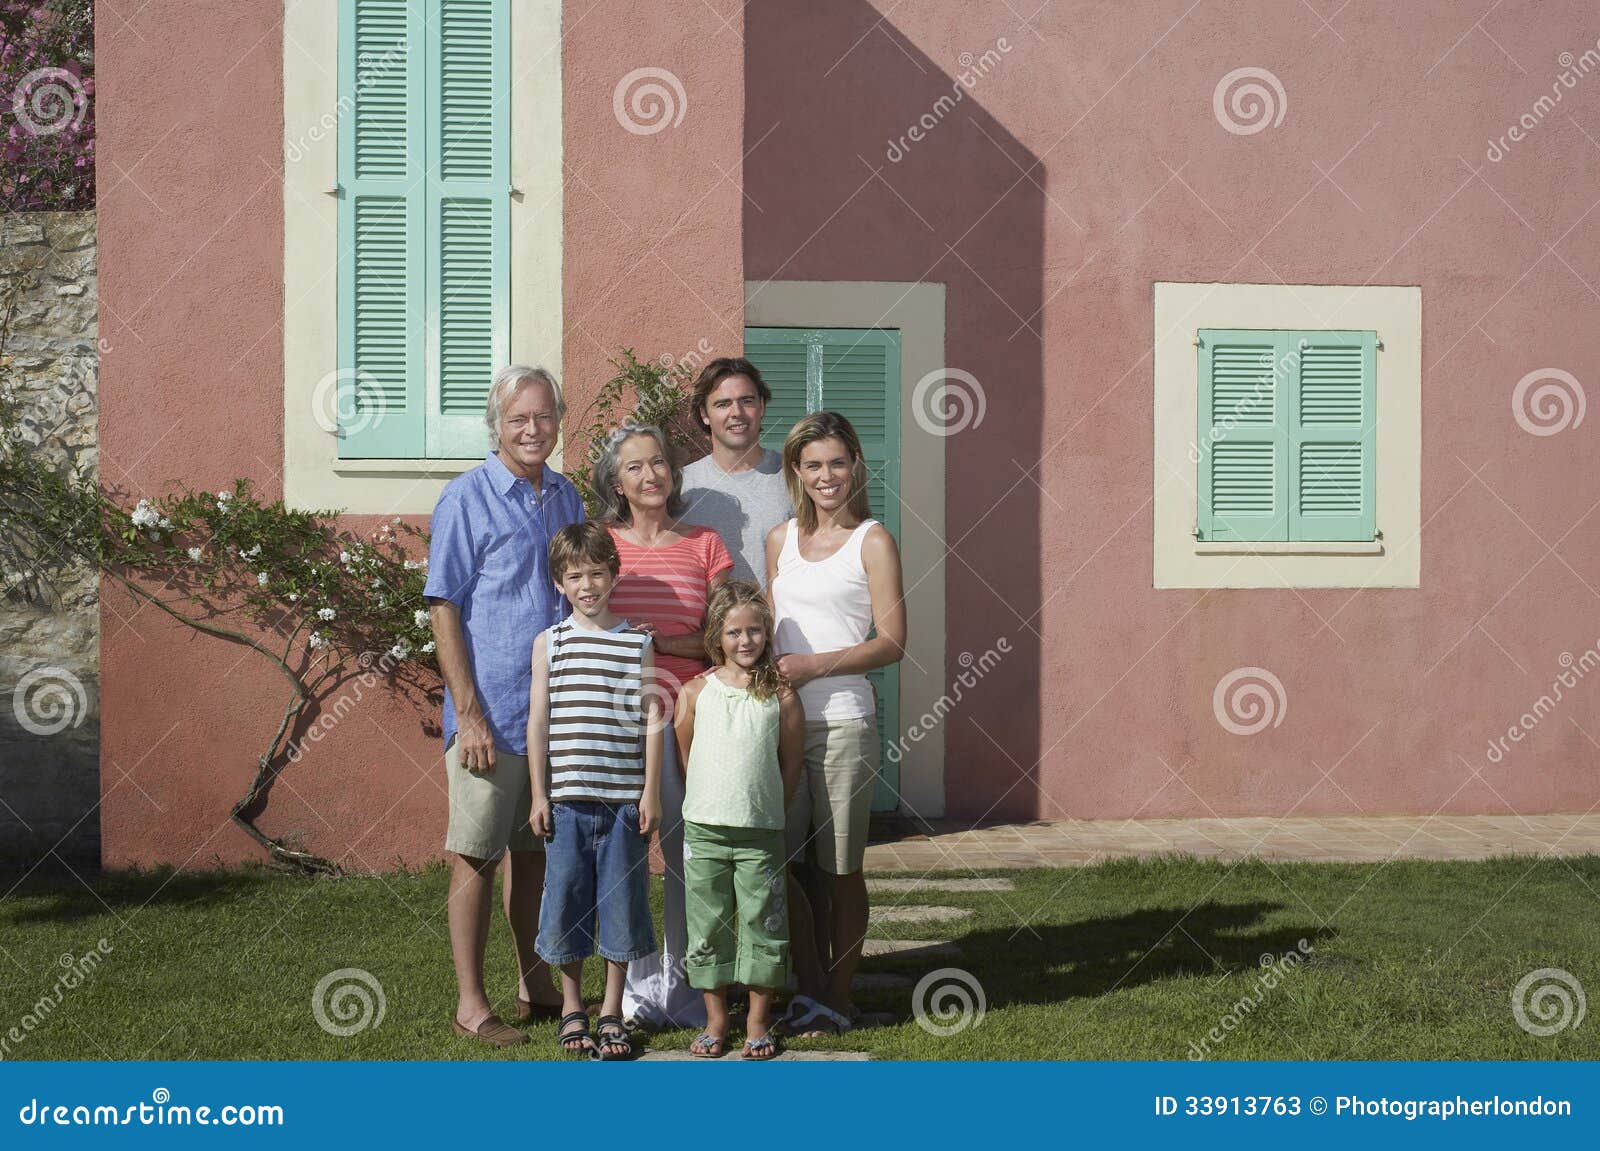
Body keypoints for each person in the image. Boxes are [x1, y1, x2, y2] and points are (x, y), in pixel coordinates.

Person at [424, 365, 582, 1048]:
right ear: (497, 423)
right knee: (476, 856)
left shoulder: (567, 496)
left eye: (544, 416)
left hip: (547, 714)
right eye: (519, 418)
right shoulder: (466, 497)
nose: (532, 429)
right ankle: (469, 1002)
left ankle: (534, 983)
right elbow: (443, 606)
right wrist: (470, 712)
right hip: (488, 713)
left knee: (533, 855)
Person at [766, 411, 907, 1037]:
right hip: (783, 723)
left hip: (845, 722)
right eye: (813, 465)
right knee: (786, 862)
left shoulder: (872, 539)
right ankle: (809, 984)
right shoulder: (778, 541)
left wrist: (813, 666)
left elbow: (893, 642)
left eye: (837, 463)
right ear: (796, 471)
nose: (826, 476)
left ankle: (840, 995)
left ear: (856, 467)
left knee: (840, 867)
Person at [592, 422, 734, 1029]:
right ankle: (629, 992)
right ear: (616, 482)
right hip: (614, 720)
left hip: (689, 722)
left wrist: (660, 641)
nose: (651, 475)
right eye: (634, 467)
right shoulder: (598, 544)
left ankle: (682, 988)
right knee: (620, 859)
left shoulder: (705, 543)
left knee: (685, 856)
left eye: (659, 464)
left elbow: (726, 634)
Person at [528, 523, 662, 1060]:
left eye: (597, 573)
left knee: (621, 903)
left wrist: (649, 792)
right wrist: (539, 793)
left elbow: (652, 719)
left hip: (623, 804)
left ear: (614, 575)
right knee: (566, 902)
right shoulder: (551, 642)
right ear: (559, 583)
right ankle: (571, 1007)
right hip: (566, 802)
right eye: (575, 575)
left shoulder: (637, 642)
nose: (587, 585)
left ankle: (611, 1010)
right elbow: (539, 720)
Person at [676, 580, 805, 1059]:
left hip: (761, 833)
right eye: (734, 632)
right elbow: (687, 755)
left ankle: (756, 1021)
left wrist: (771, 806)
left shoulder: (782, 696)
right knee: (706, 924)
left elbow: (791, 763)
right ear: (716, 636)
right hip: (705, 832)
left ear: (767, 635)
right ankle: (715, 1019)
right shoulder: (695, 692)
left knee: (764, 923)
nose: (745, 641)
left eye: (754, 631)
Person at [678, 358, 793, 586]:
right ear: (704, 414)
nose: (736, 412)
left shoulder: (796, 477)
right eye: (722, 404)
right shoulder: (681, 486)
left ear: (762, 406)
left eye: (747, 401)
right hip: (703, 622)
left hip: (783, 621)